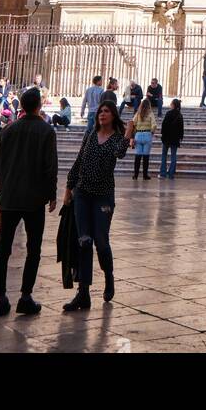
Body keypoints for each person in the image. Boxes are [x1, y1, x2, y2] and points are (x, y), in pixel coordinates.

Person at [0, 85, 57, 318]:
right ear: (39, 106)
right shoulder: (46, 131)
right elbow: (50, 167)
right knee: (33, 250)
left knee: (3, 250)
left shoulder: (8, 130)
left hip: (8, 198)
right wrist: (52, 194)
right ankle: (25, 297)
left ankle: (0, 298)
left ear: (22, 106)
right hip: (34, 200)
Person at [62, 100, 132, 311]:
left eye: (107, 111)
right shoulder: (91, 135)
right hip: (82, 193)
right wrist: (68, 187)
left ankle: (108, 277)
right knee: (84, 241)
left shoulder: (117, 138)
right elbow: (79, 161)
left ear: (113, 116)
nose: (102, 114)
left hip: (103, 196)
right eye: (100, 111)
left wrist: (128, 132)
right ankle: (83, 293)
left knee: (101, 242)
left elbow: (120, 153)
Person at [130, 96, 156, 179]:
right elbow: (154, 125)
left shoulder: (138, 114)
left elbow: (132, 123)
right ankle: (145, 175)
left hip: (138, 135)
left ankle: (135, 175)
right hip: (147, 134)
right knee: (146, 156)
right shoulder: (150, 113)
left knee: (137, 156)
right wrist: (151, 132)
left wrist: (132, 136)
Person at [159, 98, 184, 178]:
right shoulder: (180, 115)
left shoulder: (168, 113)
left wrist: (162, 135)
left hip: (166, 138)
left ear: (173, 105)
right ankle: (171, 174)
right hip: (175, 139)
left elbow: (164, 125)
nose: (170, 105)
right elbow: (181, 128)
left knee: (164, 155)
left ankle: (163, 173)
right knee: (173, 156)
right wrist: (180, 137)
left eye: (171, 103)